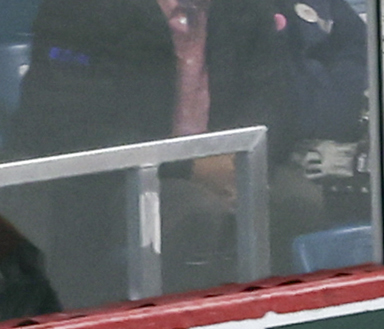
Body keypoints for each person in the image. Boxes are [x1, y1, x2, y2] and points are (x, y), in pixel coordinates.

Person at [6, 0, 300, 306]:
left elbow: (276, 102)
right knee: (197, 212)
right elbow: (68, 126)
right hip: (108, 183)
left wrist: (237, 163)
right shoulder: (80, 11)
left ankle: (270, 322)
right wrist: (190, 167)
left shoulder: (246, 8)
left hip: (228, 165)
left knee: (295, 200)